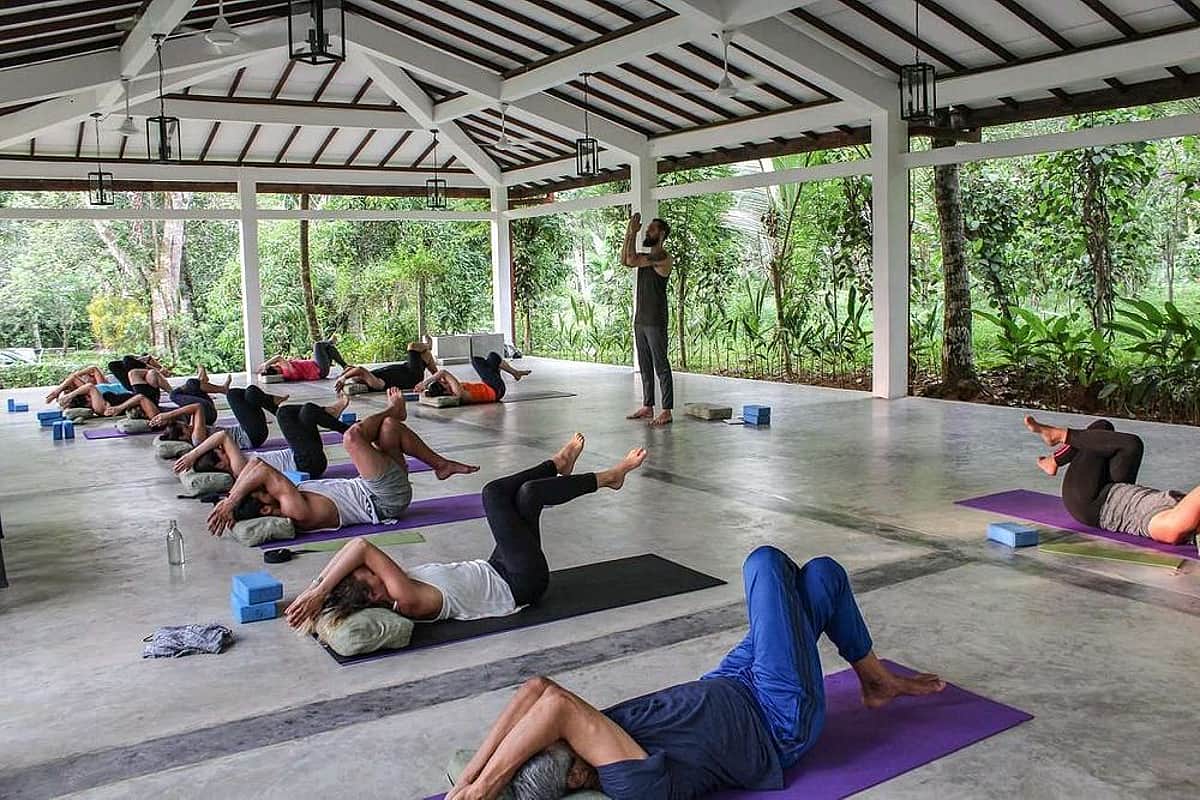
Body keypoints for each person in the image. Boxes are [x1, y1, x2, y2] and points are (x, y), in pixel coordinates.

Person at [441, 546, 945, 800]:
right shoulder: (628, 783)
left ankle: (875, 681)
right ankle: (876, 679)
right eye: (558, 748)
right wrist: (489, 790)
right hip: (776, 719)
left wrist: (467, 782)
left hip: (729, 680)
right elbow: (553, 706)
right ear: (576, 776)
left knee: (823, 576)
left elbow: (536, 688)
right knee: (765, 563)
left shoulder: (589, 747)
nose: (561, 740)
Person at [284, 434, 647, 629]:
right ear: (374, 597)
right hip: (520, 583)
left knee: (529, 495)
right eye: (371, 580)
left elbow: (352, 560)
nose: (377, 574)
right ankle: (604, 477)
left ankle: (559, 465)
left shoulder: (388, 588)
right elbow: (360, 546)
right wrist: (320, 593)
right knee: (497, 493)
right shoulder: (405, 598)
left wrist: (316, 593)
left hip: (497, 568)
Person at [206, 389, 476, 535]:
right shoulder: (294, 509)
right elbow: (261, 469)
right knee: (352, 436)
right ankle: (395, 409)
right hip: (383, 499)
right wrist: (231, 501)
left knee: (390, 428)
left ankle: (440, 465)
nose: (263, 489)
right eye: (261, 494)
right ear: (265, 511)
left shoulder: (282, 500)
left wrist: (232, 496)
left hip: (376, 490)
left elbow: (254, 469)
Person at [1025, 416, 1198, 545]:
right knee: (1106, 430)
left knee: (1124, 441)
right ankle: (1053, 460)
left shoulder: (1170, 526)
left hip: (1091, 503)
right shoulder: (1186, 517)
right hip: (1114, 487)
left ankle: (1058, 437)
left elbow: (1172, 532)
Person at [172, 394, 353, 480]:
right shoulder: (238, 468)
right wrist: (192, 455)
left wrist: (193, 455)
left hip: (304, 456)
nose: (221, 451)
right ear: (220, 465)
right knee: (283, 414)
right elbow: (222, 436)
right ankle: (346, 430)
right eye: (219, 454)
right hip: (306, 463)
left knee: (307, 412)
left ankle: (346, 429)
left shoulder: (236, 463)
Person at [622, 212, 674, 428]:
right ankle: (648, 405)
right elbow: (625, 260)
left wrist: (631, 233)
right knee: (644, 364)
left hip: (655, 319)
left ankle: (667, 410)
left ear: (661, 234)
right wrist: (629, 232)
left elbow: (632, 260)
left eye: (651, 229)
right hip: (641, 318)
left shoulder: (662, 257)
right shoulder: (647, 257)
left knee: (660, 364)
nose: (647, 231)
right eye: (647, 229)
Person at [415, 352, 530, 405]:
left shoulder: (452, 391)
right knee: (476, 360)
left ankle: (515, 373)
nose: (445, 383)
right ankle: (514, 373)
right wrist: (424, 383)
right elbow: (443, 372)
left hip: (492, 386)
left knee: (492, 359)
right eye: (445, 385)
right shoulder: (457, 392)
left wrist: (425, 390)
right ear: (445, 391)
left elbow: (429, 392)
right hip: (495, 388)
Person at [333, 340, 438, 393]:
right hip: (412, 376)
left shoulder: (373, 375)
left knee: (426, 355)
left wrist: (343, 375)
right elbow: (360, 370)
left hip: (408, 368)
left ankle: (439, 379)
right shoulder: (376, 384)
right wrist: (343, 378)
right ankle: (427, 346)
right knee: (412, 346)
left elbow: (353, 369)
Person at [256, 340, 347, 382]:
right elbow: (279, 357)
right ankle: (330, 341)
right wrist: (266, 364)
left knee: (329, 349)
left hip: (316, 366)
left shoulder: (286, 371)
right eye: (273, 366)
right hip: (320, 368)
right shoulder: (287, 371)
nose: (275, 364)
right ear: (275, 370)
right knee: (317, 345)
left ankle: (345, 366)